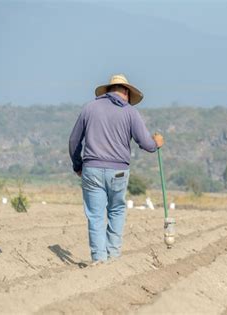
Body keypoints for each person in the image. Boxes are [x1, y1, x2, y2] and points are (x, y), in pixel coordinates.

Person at [69, 74, 163, 264]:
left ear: (108, 90)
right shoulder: (130, 112)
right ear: (126, 92)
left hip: (92, 169)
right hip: (119, 171)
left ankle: (99, 259)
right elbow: (146, 144)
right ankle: (113, 257)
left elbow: (73, 141)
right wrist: (157, 144)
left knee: (95, 215)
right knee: (116, 210)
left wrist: (78, 166)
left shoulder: (89, 108)